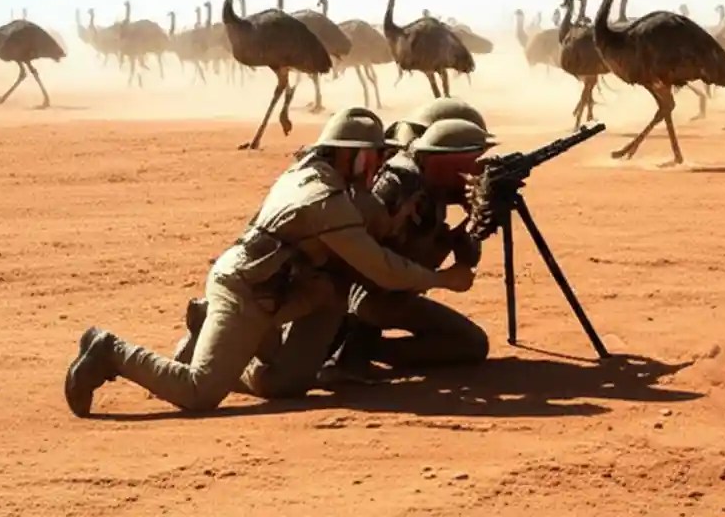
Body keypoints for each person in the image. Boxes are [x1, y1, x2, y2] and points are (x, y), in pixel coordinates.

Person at [63, 108, 475, 416]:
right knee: (199, 392)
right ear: (353, 157)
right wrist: (442, 278)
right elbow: (381, 267)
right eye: (373, 158)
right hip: (247, 290)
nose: (378, 166)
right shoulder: (325, 202)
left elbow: (368, 211)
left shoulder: (317, 172)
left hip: (299, 292)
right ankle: (110, 351)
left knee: (289, 384)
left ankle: (218, 348)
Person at [325, 114, 498, 380]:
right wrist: (441, 276)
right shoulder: (399, 184)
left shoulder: (433, 186)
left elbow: (456, 250)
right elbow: (365, 253)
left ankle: (366, 349)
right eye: (475, 159)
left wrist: (474, 221)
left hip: (396, 291)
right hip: (369, 296)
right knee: (469, 344)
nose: (479, 168)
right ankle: (348, 343)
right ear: (449, 161)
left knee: (470, 344)